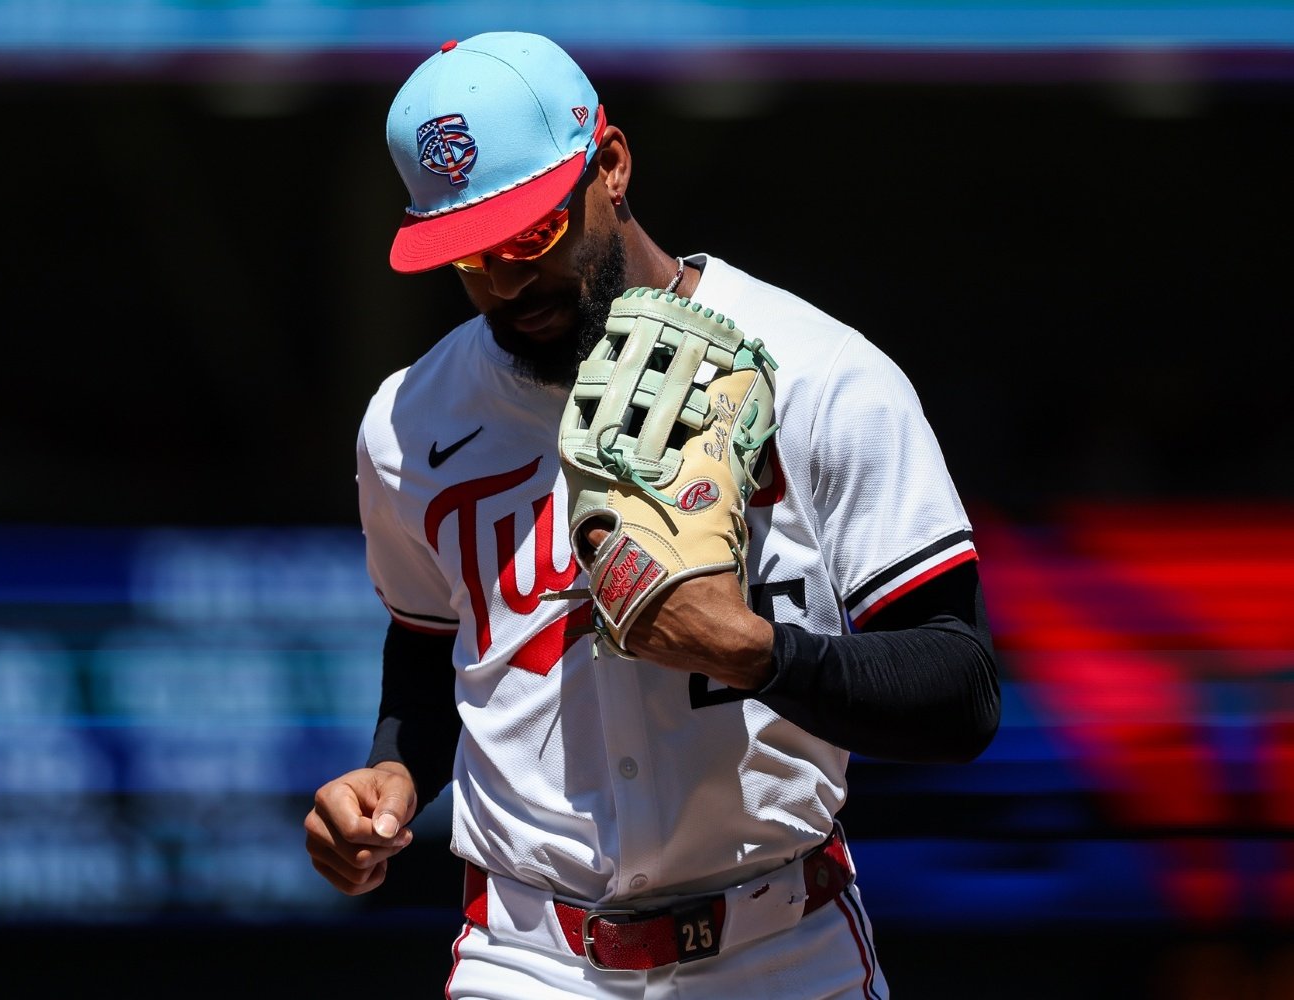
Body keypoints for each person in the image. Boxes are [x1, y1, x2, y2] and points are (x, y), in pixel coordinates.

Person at [305, 31, 1001, 998]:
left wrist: (752, 651)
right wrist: (392, 773)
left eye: (528, 236)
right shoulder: (409, 421)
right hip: (527, 956)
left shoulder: (820, 374)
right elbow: (428, 647)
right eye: (468, 256)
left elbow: (959, 690)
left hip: (781, 950)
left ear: (613, 165)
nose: (504, 282)